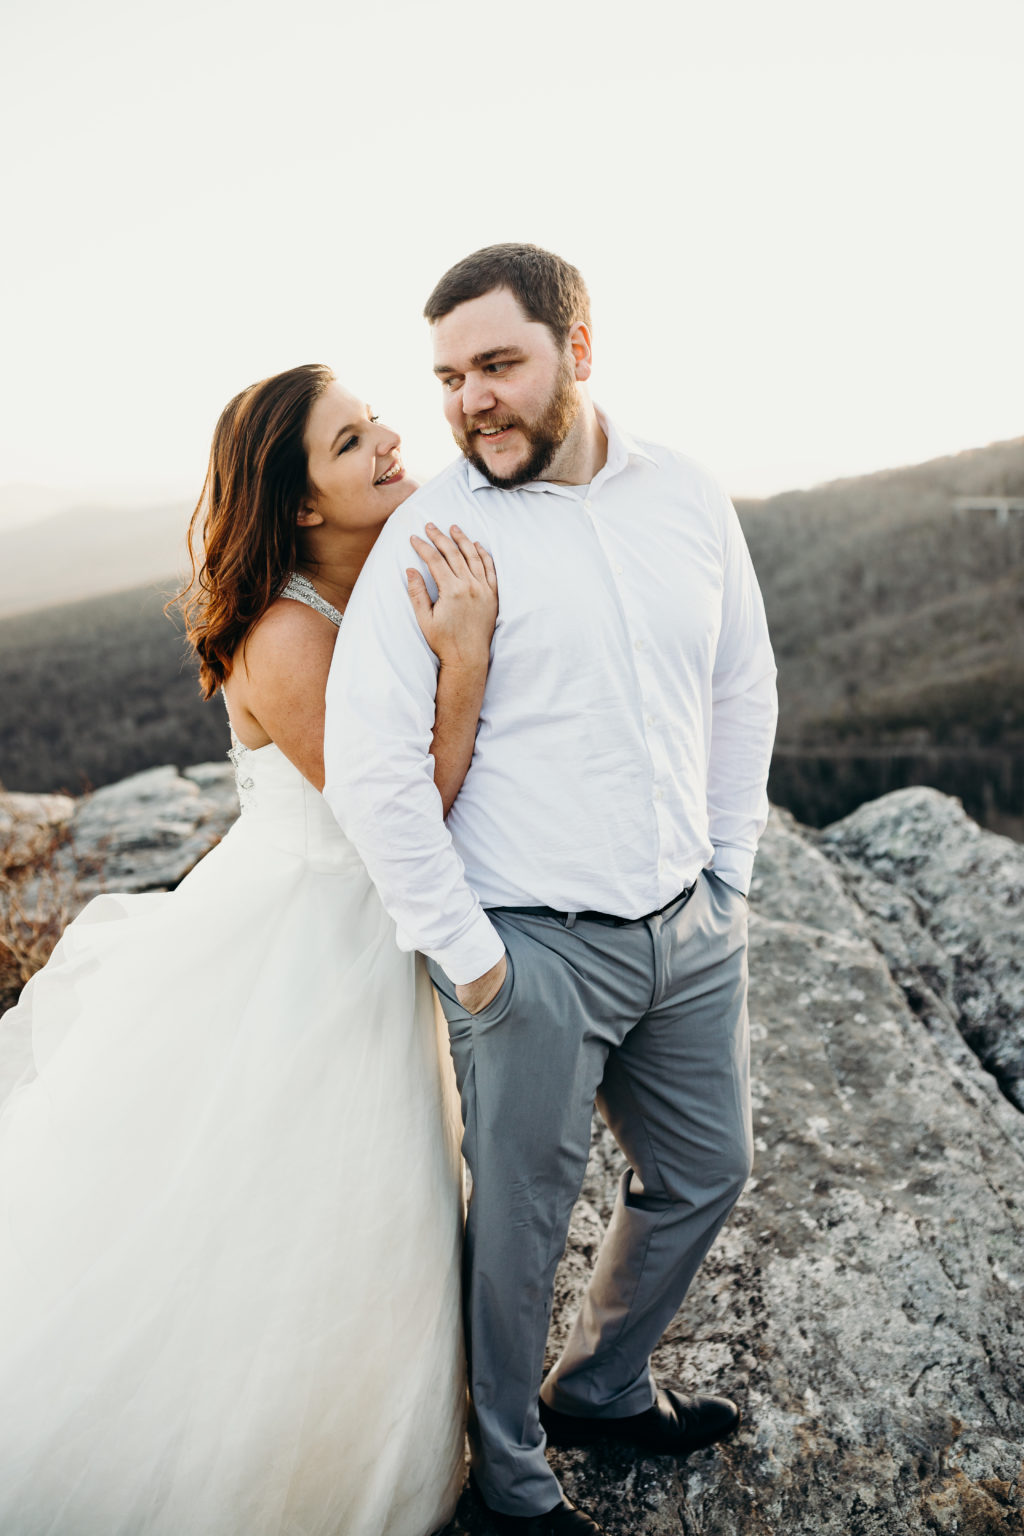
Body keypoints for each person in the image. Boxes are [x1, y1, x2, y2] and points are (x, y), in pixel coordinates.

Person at [324, 245, 779, 1536]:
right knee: (518, 1231)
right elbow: (373, 768)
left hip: (686, 925)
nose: (470, 401)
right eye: (451, 376)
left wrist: (729, 875)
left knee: (709, 1170)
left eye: (498, 365)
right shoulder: (432, 533)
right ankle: (512, 1490)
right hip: (529, 950)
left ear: (578, 350)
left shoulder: (688, 497)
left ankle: (603, 1385)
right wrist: (474, 962)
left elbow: (742, 685)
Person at [0, 363, 498, 1536]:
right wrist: (464, 658)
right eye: (348, 444)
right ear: (305, 507)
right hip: (301, 950)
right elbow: (399, 818)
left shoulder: (378, 574)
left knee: (385, 1216)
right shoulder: (282, 632)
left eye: (373, 420)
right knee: (285, 1221)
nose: (385, 440)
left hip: (368, 944)